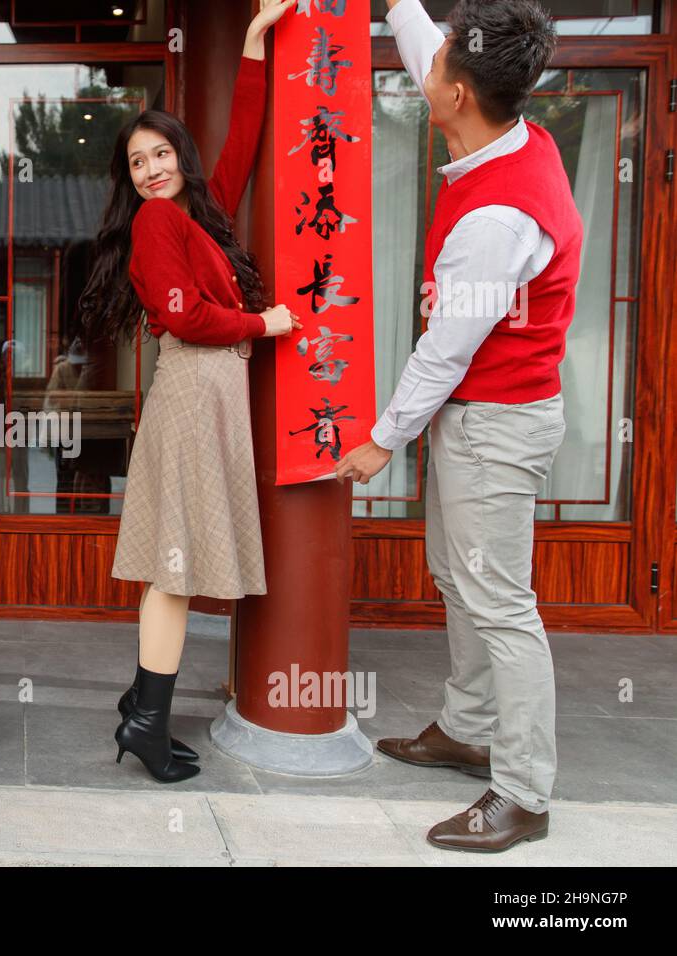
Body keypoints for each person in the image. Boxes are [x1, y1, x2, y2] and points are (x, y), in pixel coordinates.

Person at [336, 0, 574, 852]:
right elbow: (425, 42)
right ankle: (468, 728)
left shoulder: (495, 221)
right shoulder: (508, 127)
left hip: (495, 424)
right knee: (459, 578)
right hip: (486, 416)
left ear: (461, 95)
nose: (424, 68)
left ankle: (522, 790)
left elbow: (443, 352)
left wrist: (382, 439)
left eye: (438, 70)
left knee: (502, 604)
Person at [77, 0, 298, 783]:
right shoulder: (155, 227)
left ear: (178, 154)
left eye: (159, 154)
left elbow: (241, 136)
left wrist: (250, 42)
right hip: (192, 388)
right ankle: (144, 724)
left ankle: (142, 706)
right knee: (173, 567)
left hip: (212, 394)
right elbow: (186, 315)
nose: (151, 170)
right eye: (136, 163)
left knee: (178, 562)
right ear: (130, 179)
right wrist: (263, 323)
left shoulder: (198, 214)